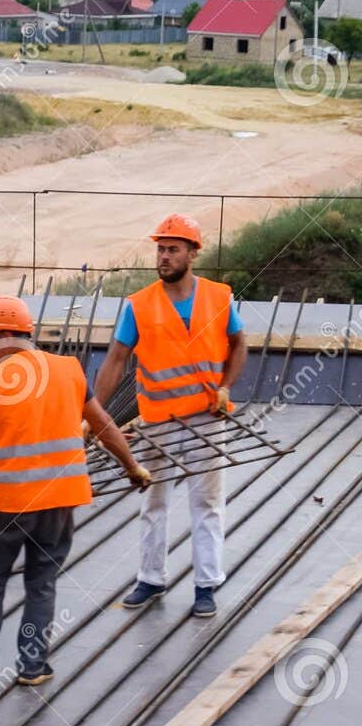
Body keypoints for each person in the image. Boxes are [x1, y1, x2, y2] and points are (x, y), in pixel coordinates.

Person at [0, 296, 151, 687]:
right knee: (41, 584)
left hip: (5, 503)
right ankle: (32, 666)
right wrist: (132, 467)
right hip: (59, 502)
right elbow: (104, 425)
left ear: (6, 334)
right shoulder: (68, 370)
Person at [94, 213, 248, 618]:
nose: (163, 257)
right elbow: (115, 361)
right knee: (153, 502)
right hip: (157, 421)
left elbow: (239, 344)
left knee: (207, 503)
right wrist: (91, 413)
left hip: (205, 419)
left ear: (192, 254)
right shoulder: (138, 306)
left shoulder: (219, 297)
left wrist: (225, 386)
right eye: (160, 249)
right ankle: (150, 578)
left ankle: (206, 585)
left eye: (172, 249)